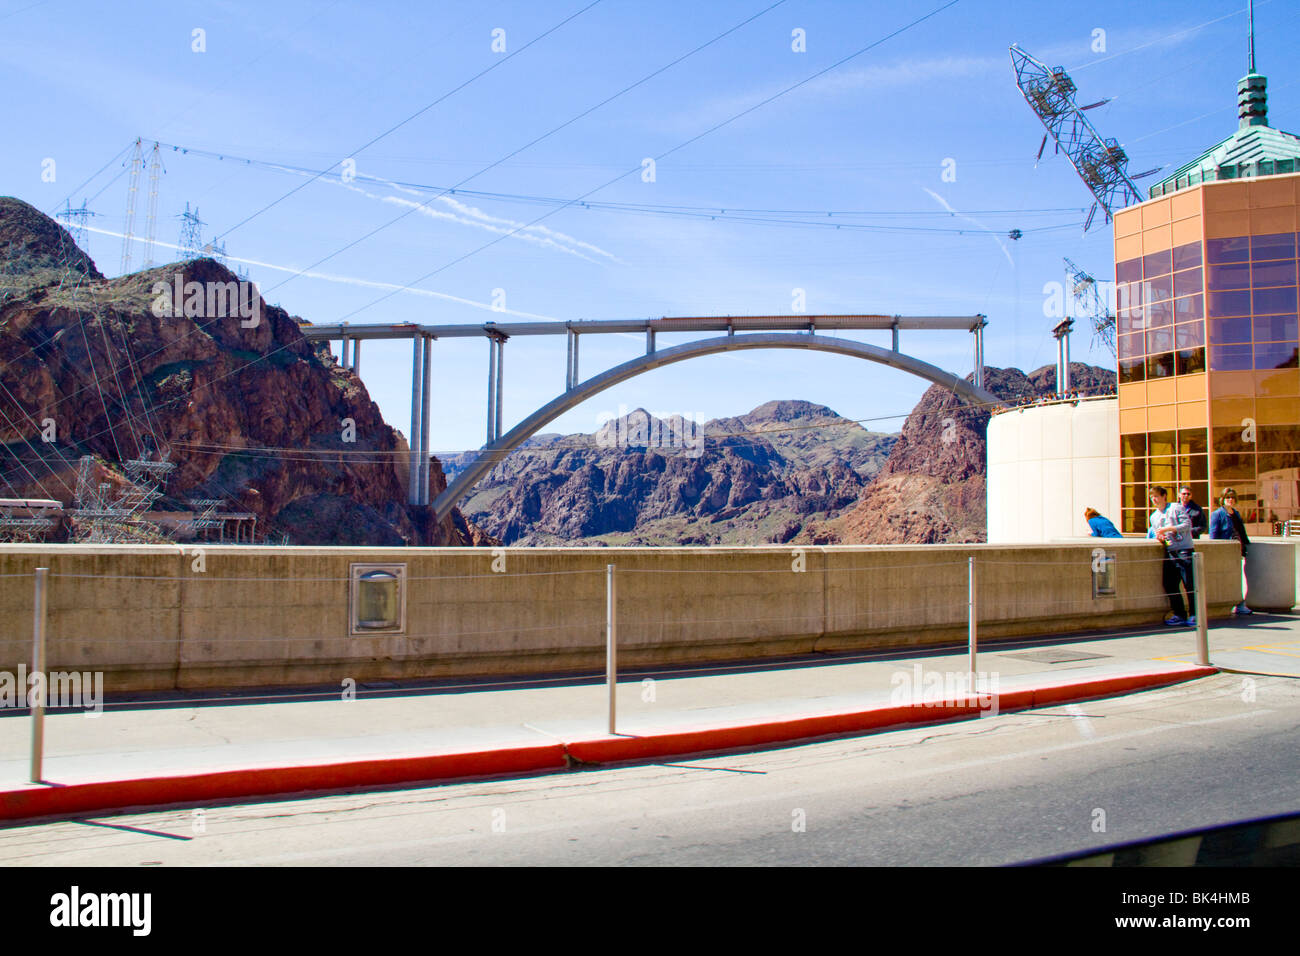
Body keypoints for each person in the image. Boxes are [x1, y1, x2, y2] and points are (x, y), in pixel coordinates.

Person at [1149, 486, 1196, 626]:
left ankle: (1194, 614)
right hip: (1170, 551)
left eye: (1157, 496)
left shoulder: (1176, 508)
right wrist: (1162, 538)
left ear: (1164, 496)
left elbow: (1187, 524)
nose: (1154, 499)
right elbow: (1161, 536)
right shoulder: (1154, 516)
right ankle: (1179, 613)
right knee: (1169, 583)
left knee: (1189, 584)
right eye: (1152, 497)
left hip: (1184, 550)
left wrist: (1168, 528)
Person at [1209, 487, 1252, 615]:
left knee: (1239, 578)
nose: (1230, 500)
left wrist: (1246, 547)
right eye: (1228, 497)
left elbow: (1241, 532)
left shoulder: (1236, 513)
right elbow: (1213, 535)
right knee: (1229, 579)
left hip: (1238, 551)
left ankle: (1240, 604)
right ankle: (1235, 603)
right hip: (1225, 552)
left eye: (1233, 497)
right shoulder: (1217, 514)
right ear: (1222, 499)